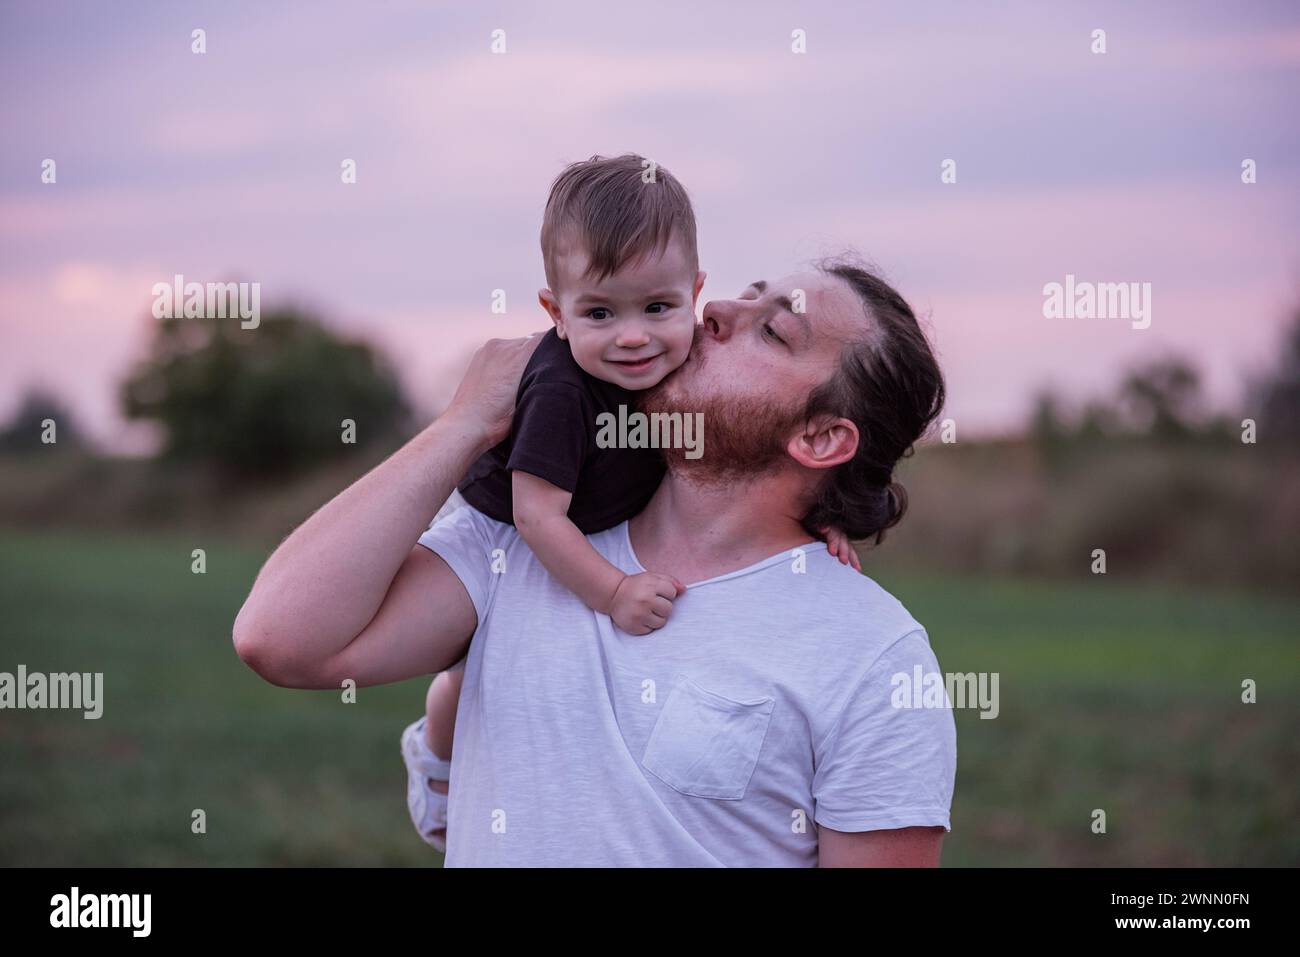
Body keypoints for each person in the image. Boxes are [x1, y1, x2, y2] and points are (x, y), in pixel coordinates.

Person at [233, 253, 957, 866]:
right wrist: (465, 422)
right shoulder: (518, 535)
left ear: (823, 438)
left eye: (772, 330)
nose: (715, 312)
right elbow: (282, 640)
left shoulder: (873, 656)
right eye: (744, 294)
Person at [404, 154, 856, 851]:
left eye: (657, 307)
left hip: (588, 506)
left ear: (694, 292)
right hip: (507, 514)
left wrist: (819, 519)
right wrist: (614, 592)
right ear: (556, 312)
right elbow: (536, 516)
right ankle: (441, 744)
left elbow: (743, 457)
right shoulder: (561, 389)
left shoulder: (673, 367)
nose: (634, 335)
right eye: (600, 312)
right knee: (469, 676)